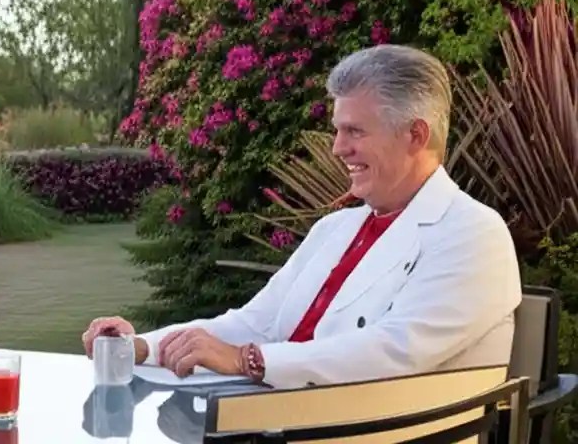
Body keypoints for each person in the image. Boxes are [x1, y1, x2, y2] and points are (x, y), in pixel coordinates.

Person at [83, 44, 521, 390]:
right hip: (277, 423)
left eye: (355, 131)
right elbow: (255, 322)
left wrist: (247, 360)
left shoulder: (473, 233)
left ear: (415, 135)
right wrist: (139, 347)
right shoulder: (336, 229)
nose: (337, 148)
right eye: (337, 129)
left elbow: (395, 350)